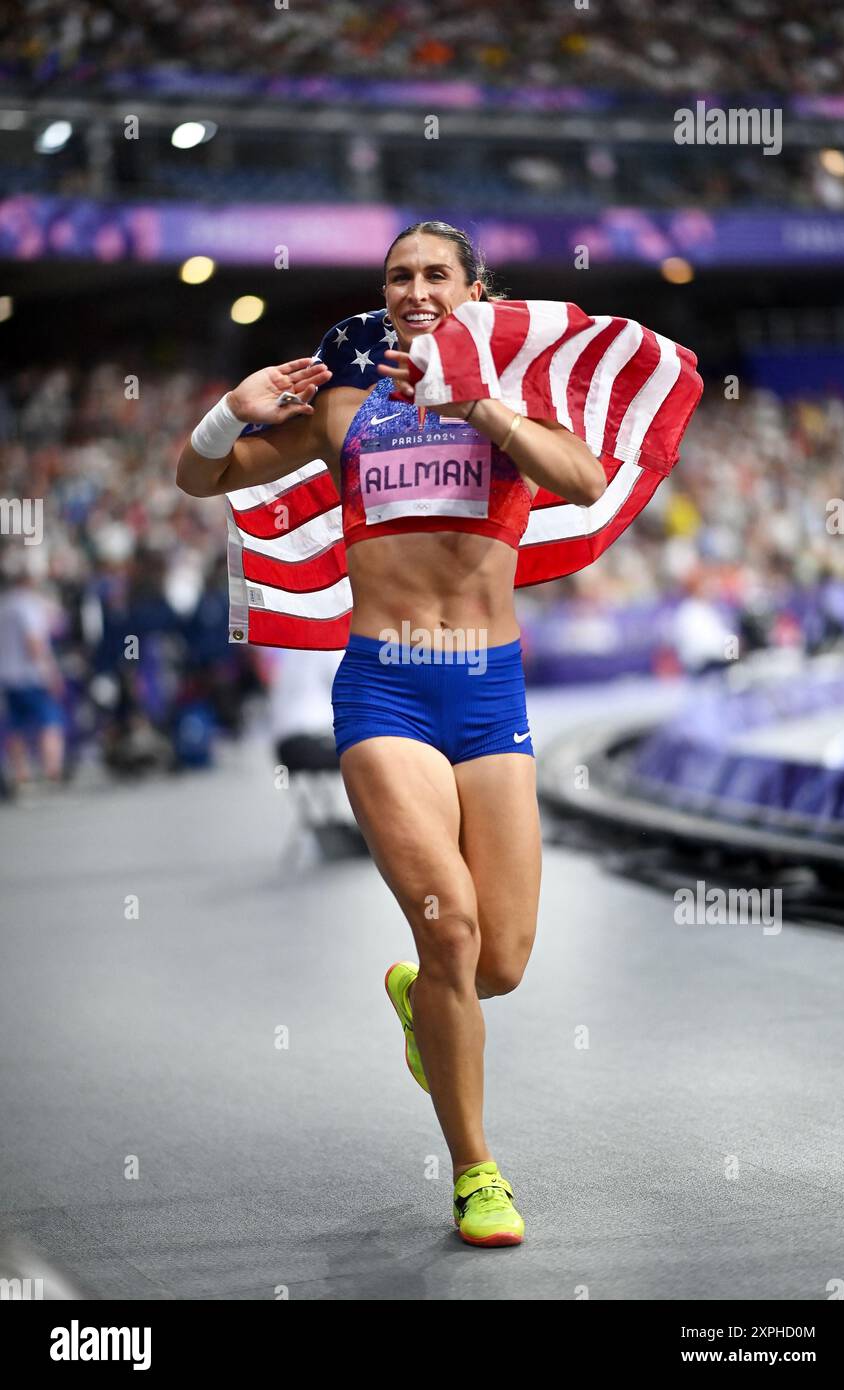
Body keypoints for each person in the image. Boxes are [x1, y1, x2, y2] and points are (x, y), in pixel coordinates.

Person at [177, 220, 607, 1246]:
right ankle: (475, 1171)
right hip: (385, 692)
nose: (413, 288)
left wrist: (482, 407)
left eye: (434, 274)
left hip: (487, 693)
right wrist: (220, 418)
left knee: (496, 962)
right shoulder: (344, 404)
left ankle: (423, 999)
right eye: (397, 275)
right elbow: (205, 479)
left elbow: (580, 481)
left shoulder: (508, 390)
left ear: (472, 288)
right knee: (450, 926)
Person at [0, 549, 66, 793]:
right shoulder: (28, 605)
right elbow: (34, 643)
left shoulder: (4, 605)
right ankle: (52, 772)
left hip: (8, 675)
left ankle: (21, 775)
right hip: (30, 675)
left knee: (15, 726)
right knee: (51, 721)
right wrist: (49, 671)